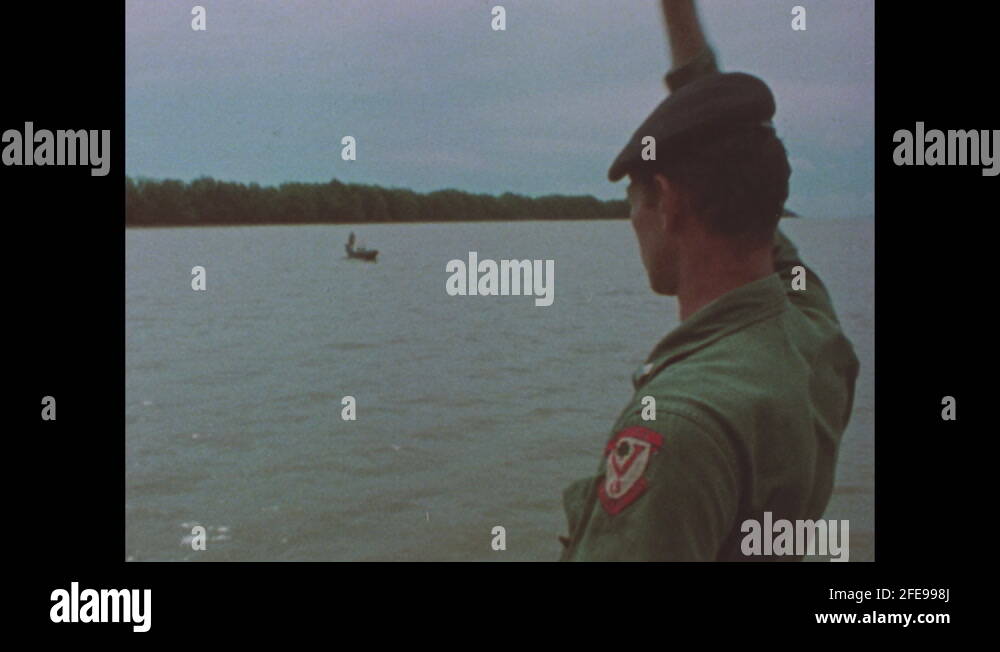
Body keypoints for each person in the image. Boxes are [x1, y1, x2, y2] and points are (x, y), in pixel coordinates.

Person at [558, 0, 860, 561]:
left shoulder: (679, 426)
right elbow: (728, 142)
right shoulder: (811, 331)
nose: (632, 221)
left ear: (667, 204)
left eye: (633, 199)